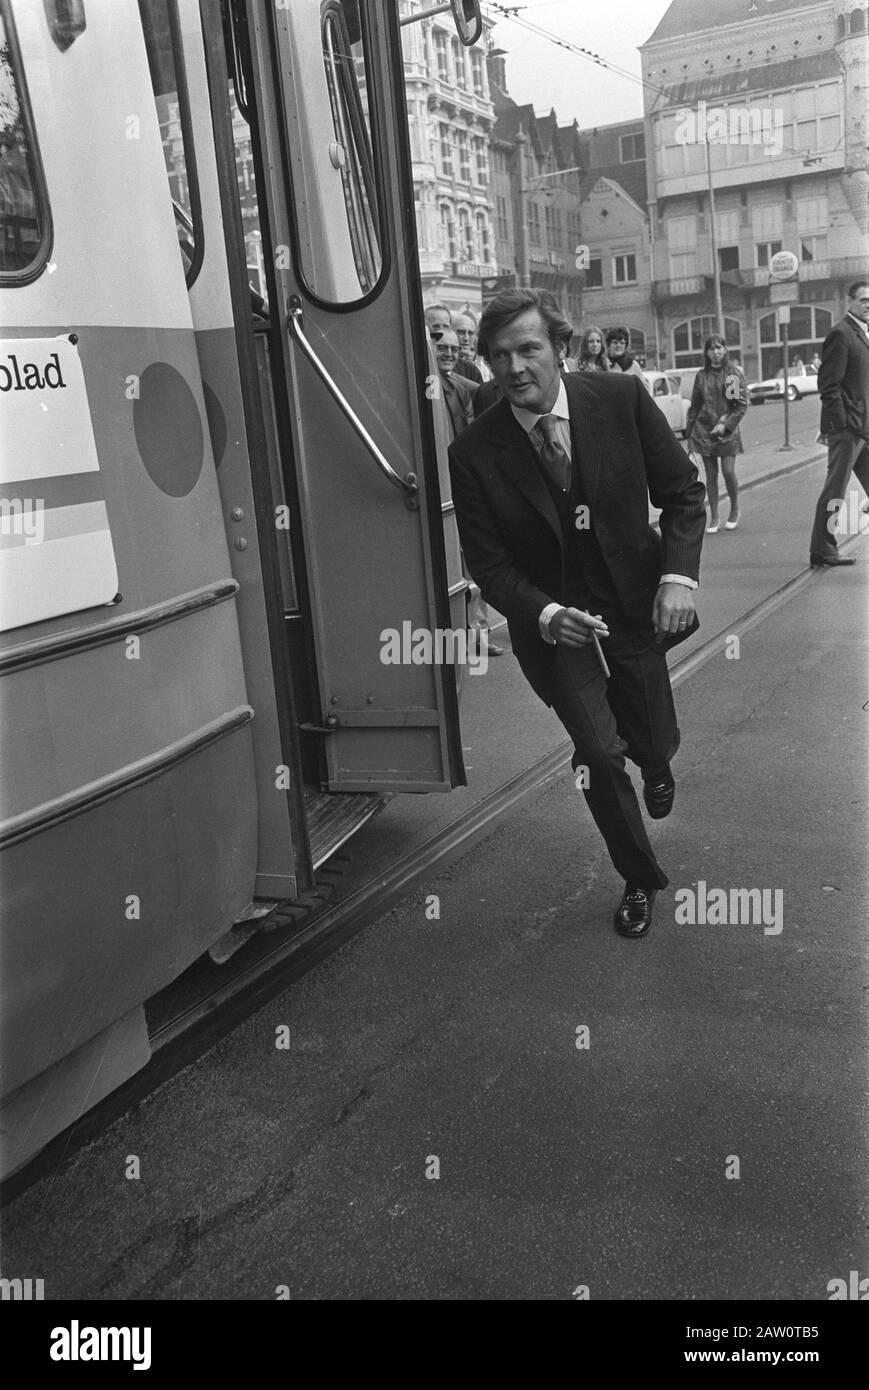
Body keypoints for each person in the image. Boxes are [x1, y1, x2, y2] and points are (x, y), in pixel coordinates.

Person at [448, 288, 705, 939]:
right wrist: (544, 614)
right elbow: (489, 566)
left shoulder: (617, 401)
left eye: (529, 349)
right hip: (553, 625)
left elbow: (681, 492)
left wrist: (677, 578)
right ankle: (639, 878)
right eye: (499, 356)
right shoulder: (474, 452)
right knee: (594, 748)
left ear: (559, 349)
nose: (514, 368)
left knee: (646, 734)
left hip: (633, 601)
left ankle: (656, 759)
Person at [808, 280, 869, 567]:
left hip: (863, 428)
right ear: (851, 303)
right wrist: (843, 423)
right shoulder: (841, 334)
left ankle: (824, 548)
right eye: (864, 300)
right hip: (848, 430)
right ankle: (824, 550)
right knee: (835, 491)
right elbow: (828, 385)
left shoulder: (862, 334)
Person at [686, 335, 748, 533]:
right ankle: (714, 516)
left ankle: (734, 509)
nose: (716, 352)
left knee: (728, 471)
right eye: (711, 349)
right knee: (710, 476)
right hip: (704, 431)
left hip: (725, 431)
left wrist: (725, 425)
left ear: (725, 350)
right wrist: (689, 433)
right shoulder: (701, 375)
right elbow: (695, 405)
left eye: (719, 347)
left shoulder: (731, 375)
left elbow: (738, 406)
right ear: (706, 353)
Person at [434, 329, 476, 438]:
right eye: (441, 348)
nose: (449, 354)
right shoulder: (418, 383)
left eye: (454, 349)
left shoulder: (460, 390)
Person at [453, 310, 491, 383]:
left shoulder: (472, 370)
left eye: (470, 333)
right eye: (461, 332)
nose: (466, 338)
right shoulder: (441, 363)